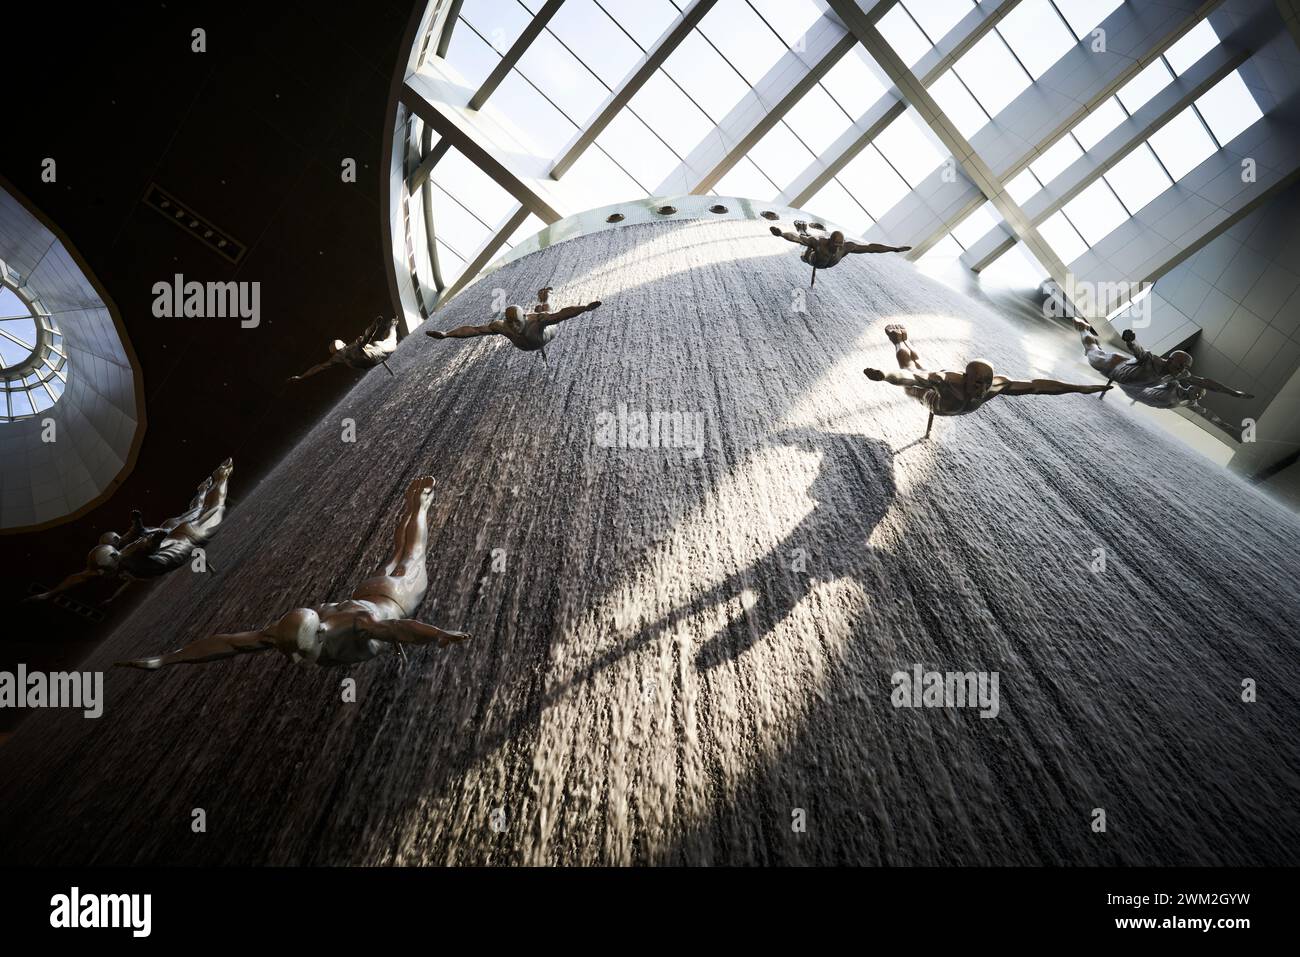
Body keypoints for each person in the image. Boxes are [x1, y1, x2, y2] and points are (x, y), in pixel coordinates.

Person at [116, 476, 471, 670]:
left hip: (397, 597)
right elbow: (227, 643)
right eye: (291, 652)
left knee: (411, 553)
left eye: (300, 652)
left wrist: (437, 635)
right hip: (371, 592)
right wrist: (168, 658)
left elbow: (397, 628)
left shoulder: (355, 624)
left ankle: (420, 505)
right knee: (401, 552)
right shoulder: (288, 636)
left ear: (318, 634)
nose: (296, 660)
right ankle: (413, 507)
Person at [28, 459, 234, 604]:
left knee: (213, 510)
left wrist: (153, 535)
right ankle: (206, 488)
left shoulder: (125, 557)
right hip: (175, 536)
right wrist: (50, 594)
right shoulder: (114, 561)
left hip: (185, 538)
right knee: (199, 510)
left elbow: (144, 544)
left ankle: (221, 477)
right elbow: (79, 577)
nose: (100, 574)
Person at [864, 324, 1110, 420]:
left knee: (921, 365)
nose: (982, 389)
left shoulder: (997, 386)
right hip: (931, 399)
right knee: (914, 368)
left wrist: (1081, 388)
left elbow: (1039, 385)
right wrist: (885, 375)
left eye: (987, 382)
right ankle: (898, 341)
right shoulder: (947, 380)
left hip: (941, 391)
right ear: (965, 376)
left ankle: (906, 339)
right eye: (977, 382)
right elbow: (908, 376)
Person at [1073, 318, 1253, 398]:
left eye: (1185, 367)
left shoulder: (1178, 375)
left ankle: (1088, 335)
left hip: (1125, 376)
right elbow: (1140, 352)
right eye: (1180, 364)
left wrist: (1232, 393)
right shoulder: (1154, 361)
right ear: (1171, 359)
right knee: (1091, 350)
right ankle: (1083, 328)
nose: (1182, 369)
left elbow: (1206, 382)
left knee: (1093, 351)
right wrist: (1131, 340)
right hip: (1113, 365)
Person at [426, 288, 600, 358]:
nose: (514, 327)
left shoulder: (535, 320)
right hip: (527, 345)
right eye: (511, 322)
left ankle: (547, 293)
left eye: (517, 322)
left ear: (524, 317)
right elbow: (474, 330)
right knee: (542, 310)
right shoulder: (502, 326)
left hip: (546, 336)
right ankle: (544, 296)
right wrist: (446, 334)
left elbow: (562, 314)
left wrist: (584, 308)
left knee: (545, 309)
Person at [770, 221, 910, 285]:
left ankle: (804, 231)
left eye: (839, 245)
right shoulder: (819, 242)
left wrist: (894, 249)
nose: (837, 249)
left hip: (826, 263)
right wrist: (782, 234)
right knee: (806, 243)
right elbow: (796, 238)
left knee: (807, 240)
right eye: (835, 245)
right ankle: (803, 230)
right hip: (812, 258)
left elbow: (871, 248)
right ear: (829, 241)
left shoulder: (846, 247)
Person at [289, 315, 398, 381]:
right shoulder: (352, 347)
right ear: (342, 345)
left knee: (380, 341)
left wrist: (302, 376)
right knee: (392, 339)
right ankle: (393, 324)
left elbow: (318, 368)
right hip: (379, 353)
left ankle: (389, 330)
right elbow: (367, 336)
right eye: (343, 342)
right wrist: (375, 325)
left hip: (371, 359)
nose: (345, 342)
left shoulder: (337, 358)